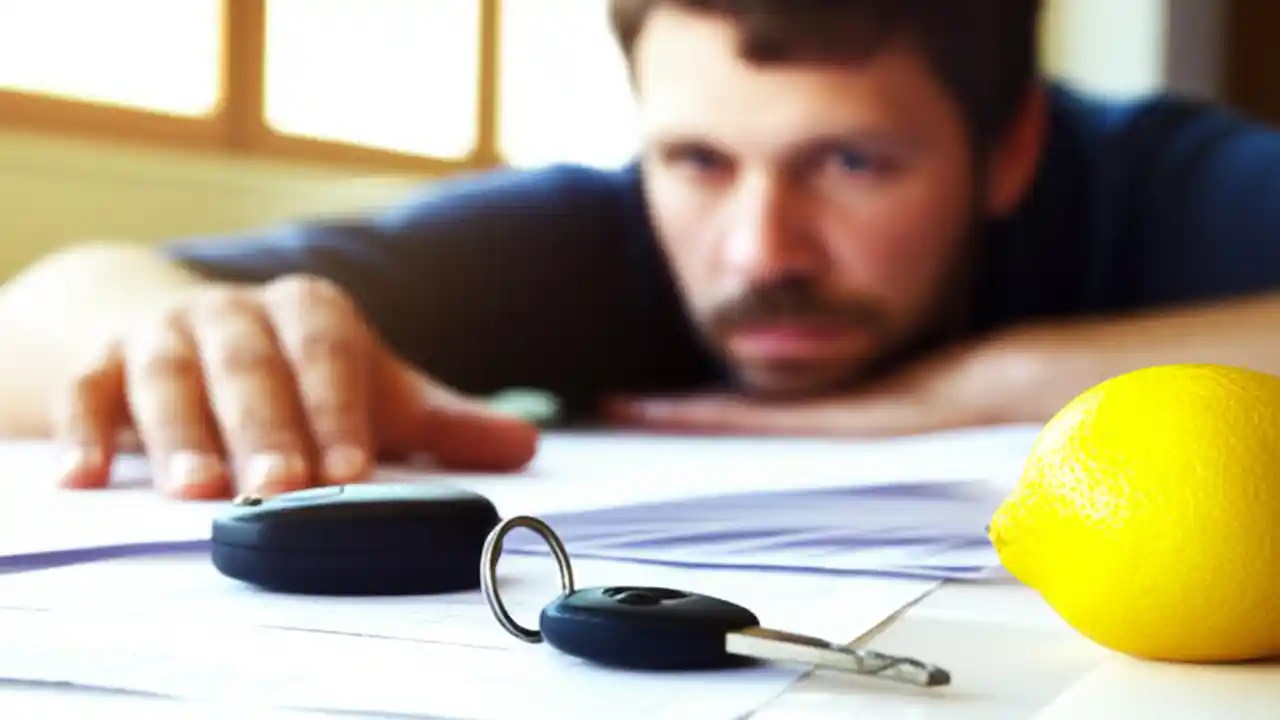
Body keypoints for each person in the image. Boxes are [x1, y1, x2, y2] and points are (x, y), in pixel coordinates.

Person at [3, 0, 1280, 501]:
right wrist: (178, 339)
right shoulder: (581, 235)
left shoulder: (1153, 179)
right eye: (698, 161)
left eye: (849, 164)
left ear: (1008, 151)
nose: (757, 248)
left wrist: (991, 382)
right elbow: (42, 314)